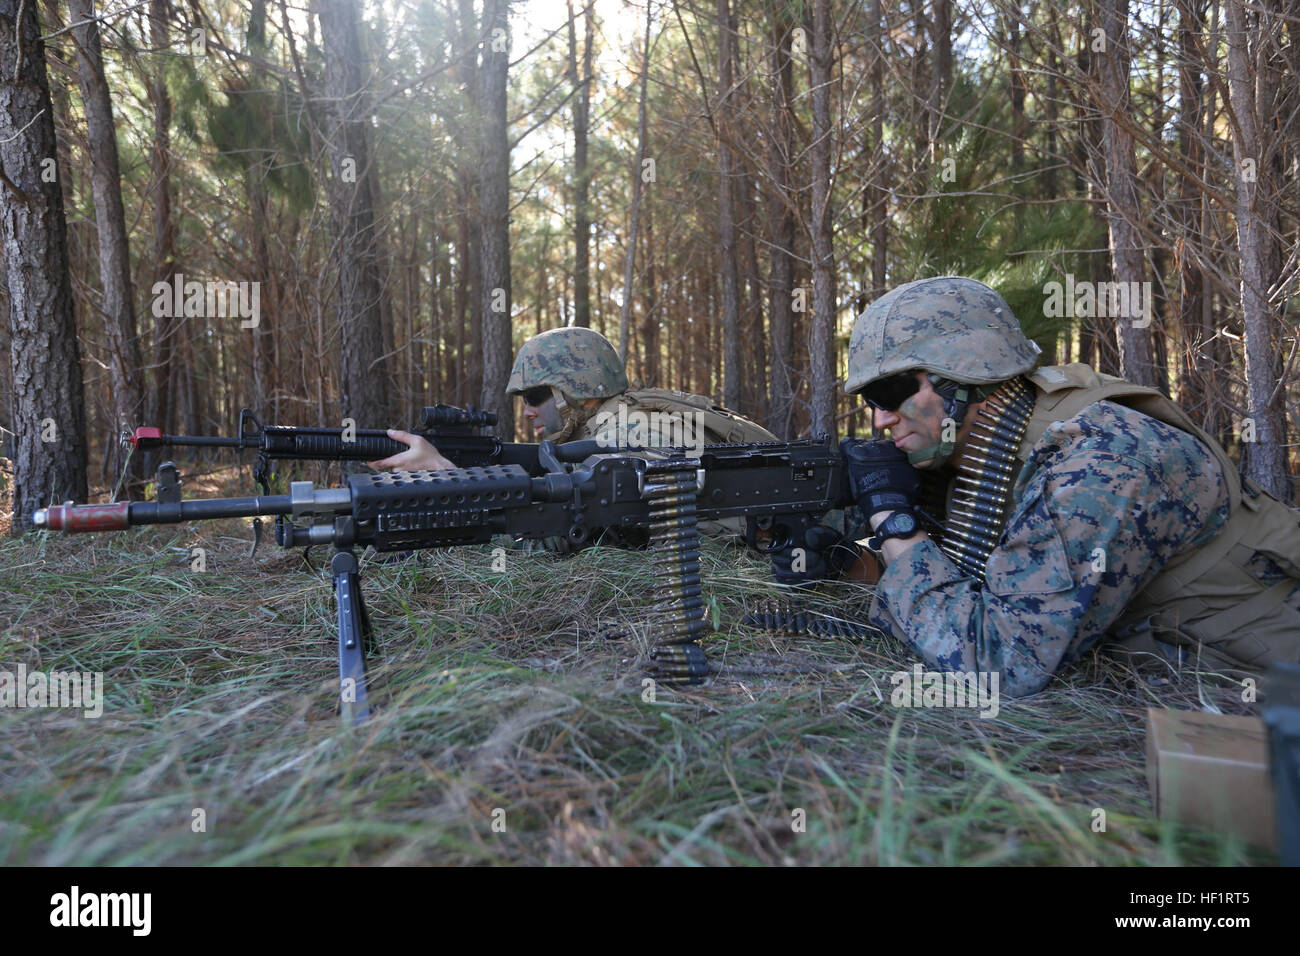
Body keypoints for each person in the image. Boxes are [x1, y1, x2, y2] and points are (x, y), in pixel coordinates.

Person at [774, 276, 1300, 695]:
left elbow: (1005, 662)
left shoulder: (1102, 459)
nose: (883, 420)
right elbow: (982, 572)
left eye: (891, 392)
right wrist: (856, 565)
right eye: (873, 400)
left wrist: (894, 522)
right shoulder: (977, 450)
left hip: (1264, 670)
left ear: (966, 380)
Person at [371, 326, 777, 467]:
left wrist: (452, 481)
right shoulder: (605, 426)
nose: (527, 412)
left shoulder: (627, 432)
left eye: (534, 396)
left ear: (578, 392)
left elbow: (576, 529)